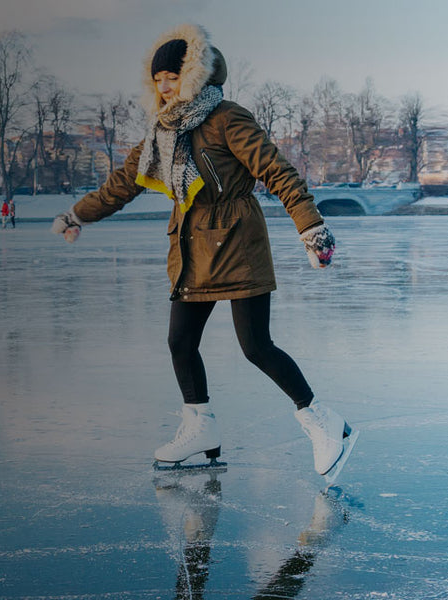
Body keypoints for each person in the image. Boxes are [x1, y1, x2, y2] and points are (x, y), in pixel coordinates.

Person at [51, 23, 354, 481]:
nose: (165, 86)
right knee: (180, 341)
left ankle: (321, 420)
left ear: (193, 75)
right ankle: (200, 427)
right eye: (158, 79)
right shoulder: (160, 133)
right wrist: (77, 215)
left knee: (255, 347)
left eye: (173, 76)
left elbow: (277, 171)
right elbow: (121, 185)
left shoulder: (227, 117)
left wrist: (311, 229)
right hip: (190, 250)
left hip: (236, 244)